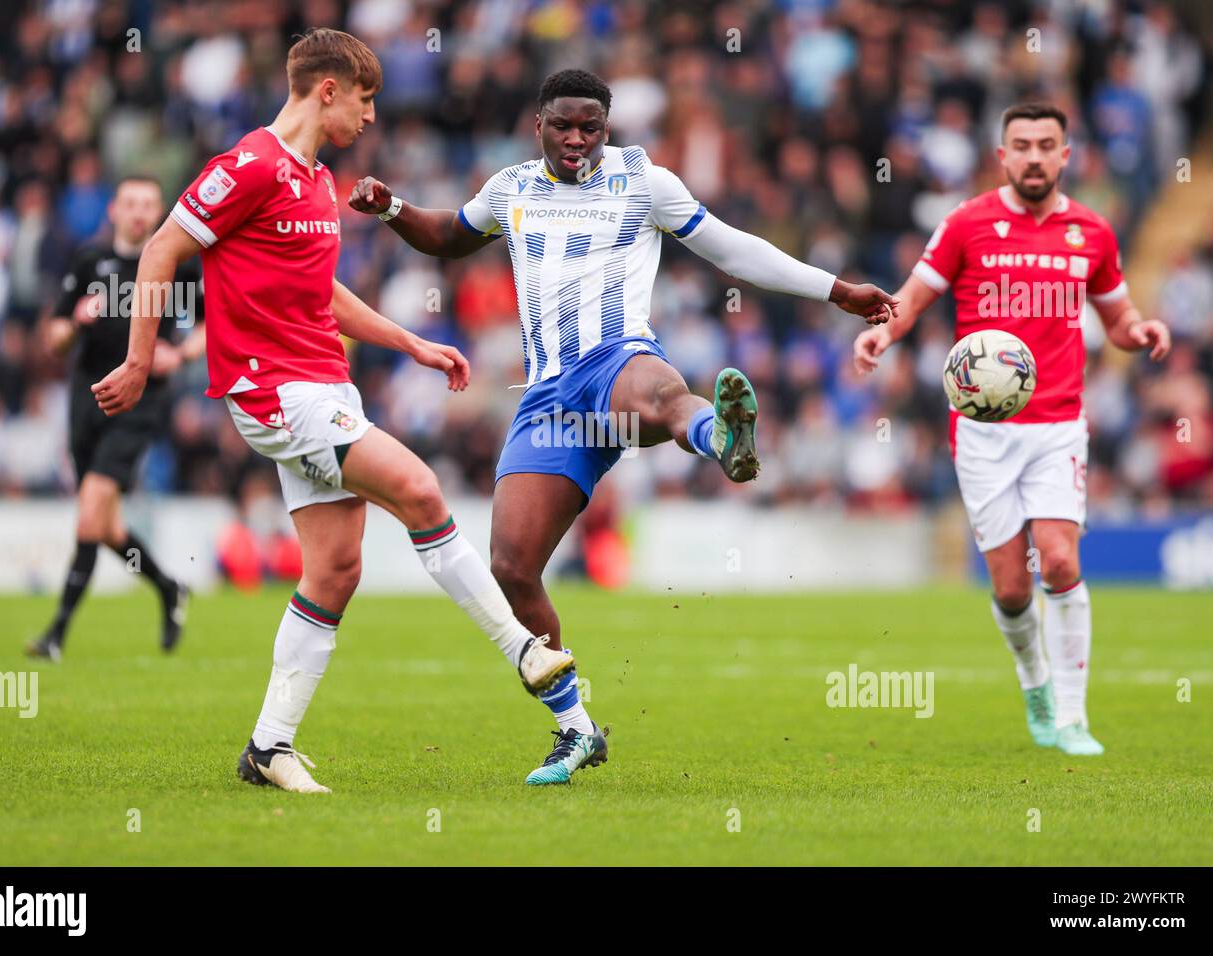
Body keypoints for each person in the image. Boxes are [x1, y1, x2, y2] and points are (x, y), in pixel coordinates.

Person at [349, 68, 898, 784]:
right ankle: (576, 730)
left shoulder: (643, 182)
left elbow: (732, 249)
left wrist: (835, 290)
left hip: (615, 362)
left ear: (607, 130)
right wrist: (392, 205)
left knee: (664, 393)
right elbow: (449, 238)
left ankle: (721, 439)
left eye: (592, 128)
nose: (578, 139)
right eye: (565, 126)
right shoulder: (510, 187)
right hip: (547, 399)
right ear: (537, 125)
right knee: (512, 568)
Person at [92, 29, 572, 795]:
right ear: (327, 90)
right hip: (273, 391)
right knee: (420, 490)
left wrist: (410, 341)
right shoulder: (249, 165)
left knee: (336, 570)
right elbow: (159, 251)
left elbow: (324, 297)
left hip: (324, 387)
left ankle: (268, 748)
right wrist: (141, 359)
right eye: (366, 98)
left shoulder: (316, 182)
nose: (372, 116)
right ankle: (521, 648)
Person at [853, 103, 1171, 756]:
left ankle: (1075, 717)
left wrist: (1141, 332)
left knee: (1058, 559)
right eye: (1020, 144)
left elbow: (1118, 318)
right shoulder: (968, 224)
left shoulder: (1092, 232)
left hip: (1058, 425)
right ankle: (1035, 684)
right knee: (1010, 586)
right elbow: (912, 297)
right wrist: (883, 332)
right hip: (983, 432)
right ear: (1002, 155)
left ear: (1065, 154)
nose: (1032, 155)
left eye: (1045, 144)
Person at [27, 176, 198, 662]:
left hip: (141, 401)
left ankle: (57, 633)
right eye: (131, 203)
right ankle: (168, 588)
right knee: (102, 526)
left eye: (149, 204)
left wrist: (180, 355)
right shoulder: (89, 262)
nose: (140, 212)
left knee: (91, 508)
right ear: (114, 210)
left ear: (161, 209)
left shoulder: (174, 265)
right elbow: (54, 336)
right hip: (87, 398)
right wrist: (75, 321)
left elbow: (208, 325)